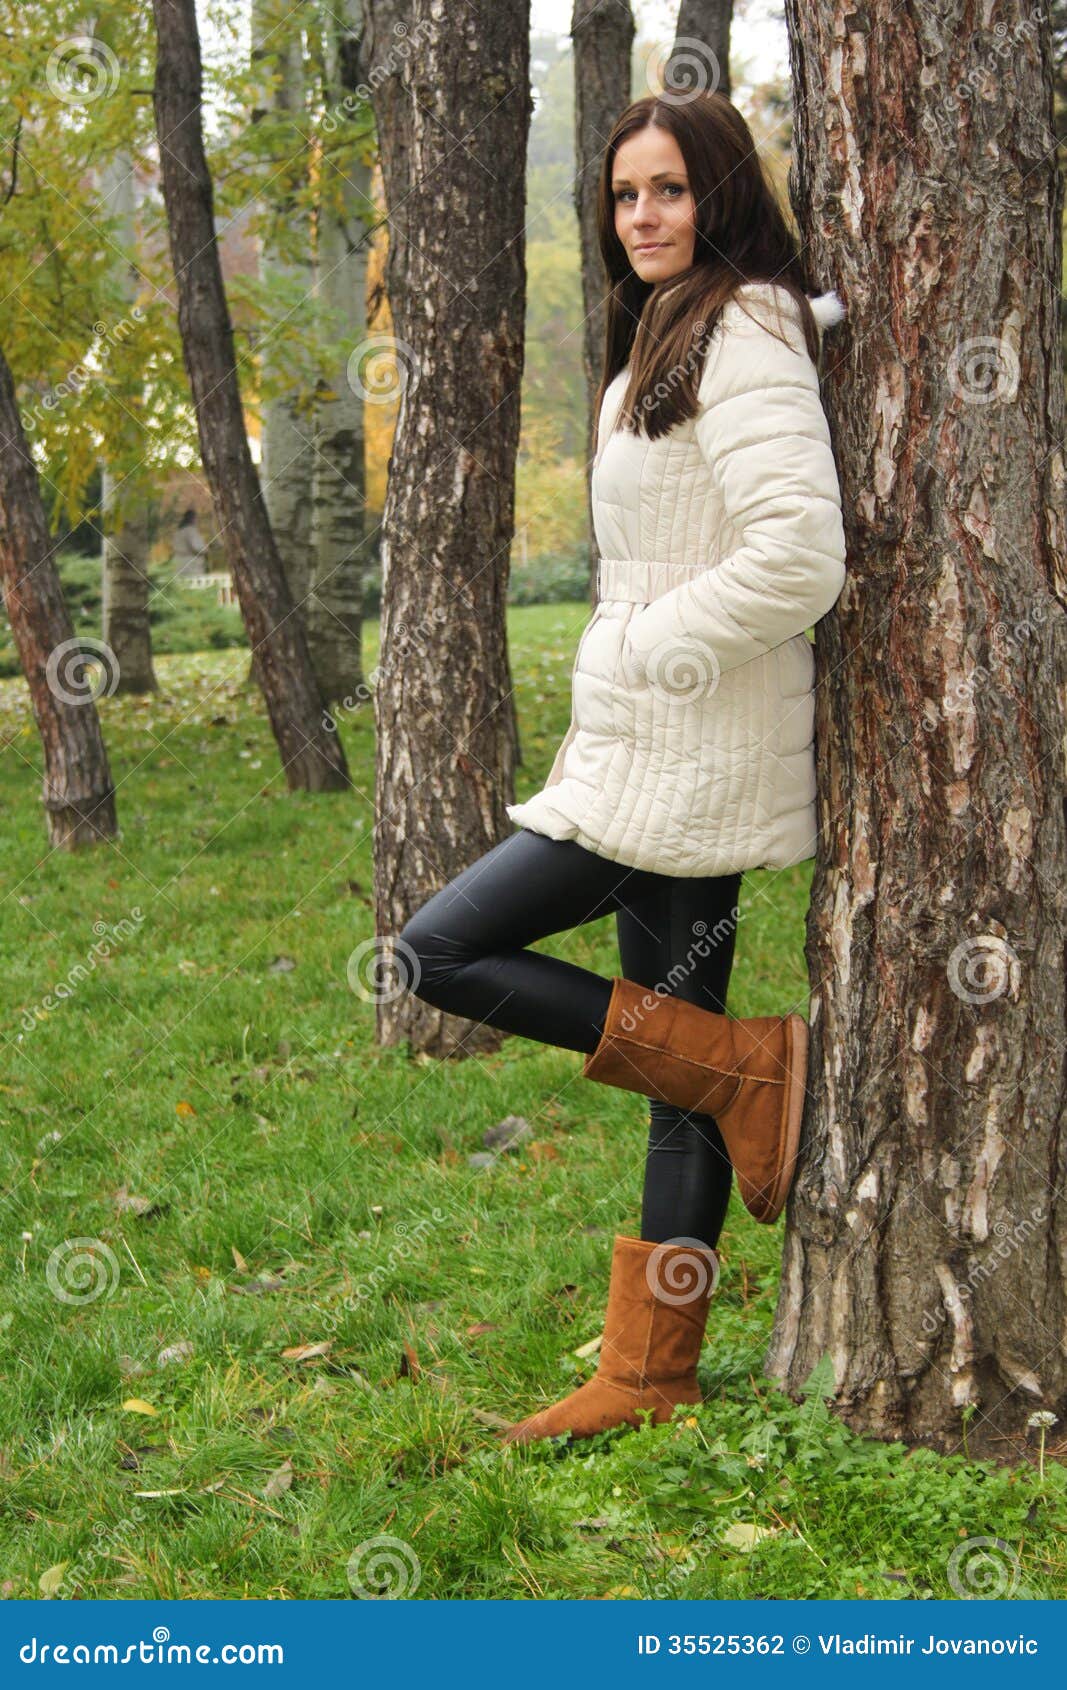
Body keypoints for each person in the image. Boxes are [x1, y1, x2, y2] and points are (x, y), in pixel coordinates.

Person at [398, 91, 848, 1446]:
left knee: (435, 949)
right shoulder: (664, 330)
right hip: (650, 746)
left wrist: (645, 647)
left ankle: (744, 1071)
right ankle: (654, 1368)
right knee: (678, 1056)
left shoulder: (745, 327)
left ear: (720, 193)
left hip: (683, 747)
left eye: (669, 189)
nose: (642, 215)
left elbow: (798, 556)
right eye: (622, 194)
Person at [170, 507, 209, 579]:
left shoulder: (178, 531)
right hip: (191, 564)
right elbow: (197, 548)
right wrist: (207, 549)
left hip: (178, 562)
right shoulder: (191, 531)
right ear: (193, 519)